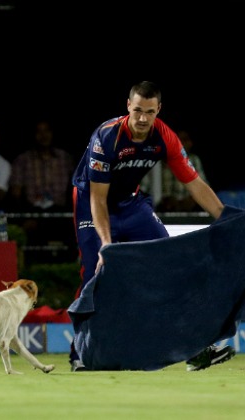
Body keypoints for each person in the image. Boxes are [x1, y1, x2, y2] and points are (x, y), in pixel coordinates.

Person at [69, 81, 233, 371]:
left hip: (132, 205)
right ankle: (80, 353)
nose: (143, 118)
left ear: (158, 110)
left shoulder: (165, 137)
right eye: (137, 111)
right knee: (96, 271)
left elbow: (193, 182)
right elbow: (97, 198)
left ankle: (194, 350)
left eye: (149, 112)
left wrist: (224, 217)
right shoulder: (106, 137)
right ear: (127, 106)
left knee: (170, 264)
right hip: (91, 203)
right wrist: (107, 246)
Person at [8, 119, 74, 212]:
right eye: (39, 131)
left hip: (60, 212)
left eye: (47, 131)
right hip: (32, 212)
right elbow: (16, 193)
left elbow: (77, 188)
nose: (43, 135)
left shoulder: (65, 158)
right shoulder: (22, 160)